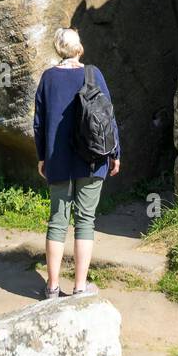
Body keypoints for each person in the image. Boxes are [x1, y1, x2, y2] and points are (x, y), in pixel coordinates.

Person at [33, 26, 120, 299]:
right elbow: (108, 117)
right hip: (92, 159)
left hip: (58, 160)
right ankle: (80, 288)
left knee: (57, 221)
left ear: (58, 49)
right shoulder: (93, 74)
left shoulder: (47, 79)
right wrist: (115, 152)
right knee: (85, 221)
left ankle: (52, 287)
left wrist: (41, 157)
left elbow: (39, 123)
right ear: (78, 48)